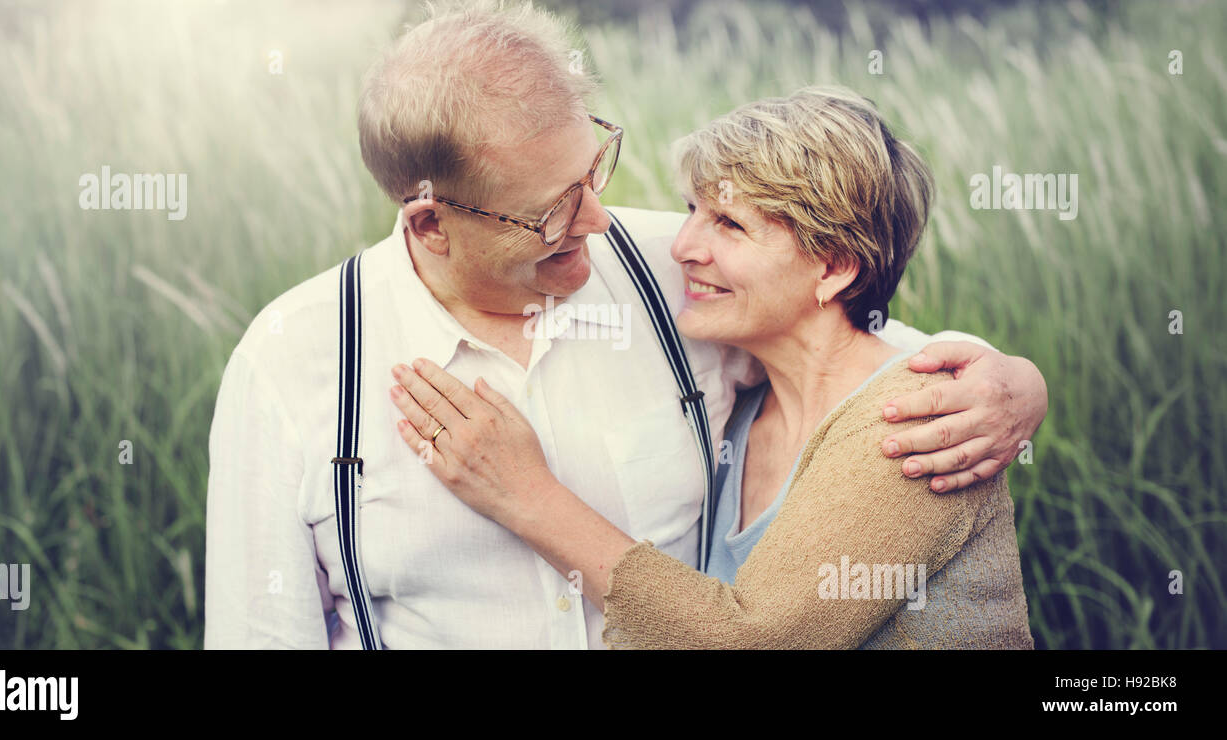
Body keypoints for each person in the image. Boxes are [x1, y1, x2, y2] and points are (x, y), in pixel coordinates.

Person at [204, 1, 1047, 649]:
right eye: (550, 211)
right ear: (431, 225)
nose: (602, 221)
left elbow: (853, 346)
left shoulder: (670, 275)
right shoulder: (295, 363)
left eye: (592, 171)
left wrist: (1001, 379)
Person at [388, 87, 1035, 648]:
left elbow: (751, 642)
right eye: (694, 210)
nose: (684, 246)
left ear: (835, 267)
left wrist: (527, 497)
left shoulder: (918, 424)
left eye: (729, 225)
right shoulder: (745, 401)